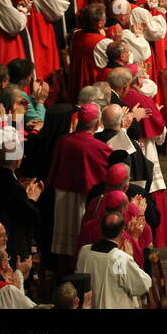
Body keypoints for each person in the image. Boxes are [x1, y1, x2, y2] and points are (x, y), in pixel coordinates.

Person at [46, 102, 112, 262]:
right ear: (97, 124)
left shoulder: (63, 141)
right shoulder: (100, 147)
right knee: (80, 236)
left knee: (63, 236)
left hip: (62, 195)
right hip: (84, 198)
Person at [74, 211, 152, 308]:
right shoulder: (120, 259)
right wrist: (129, 257)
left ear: (101, 229)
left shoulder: (84, 252)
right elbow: (142, 285)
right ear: (122, 230)